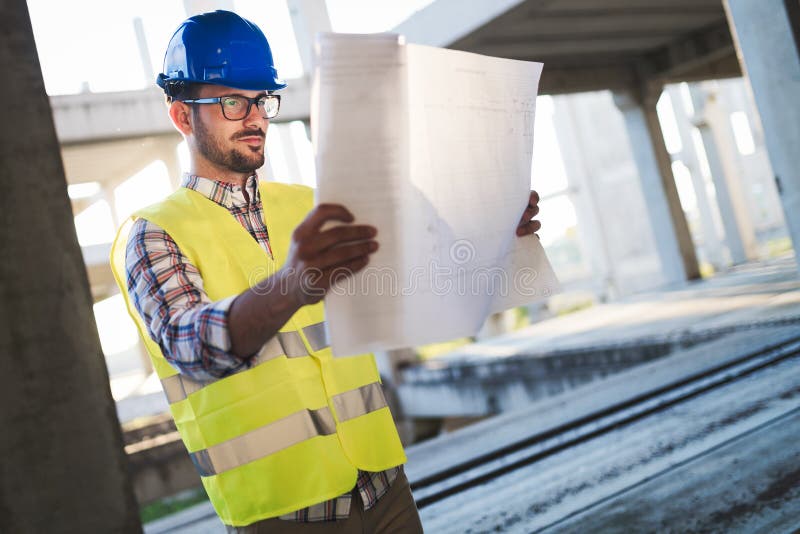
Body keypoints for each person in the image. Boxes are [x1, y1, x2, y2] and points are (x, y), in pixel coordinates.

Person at [110, 9, 542, 533]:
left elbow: (412, 277)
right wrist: (295, 283)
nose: (255, 116)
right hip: (283, 515)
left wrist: (493, 231)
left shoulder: (313, 205)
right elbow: (190, 347)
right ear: (182, 116)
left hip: (385, 490)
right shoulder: (153, 234)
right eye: (232, 101)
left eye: (263, 99)